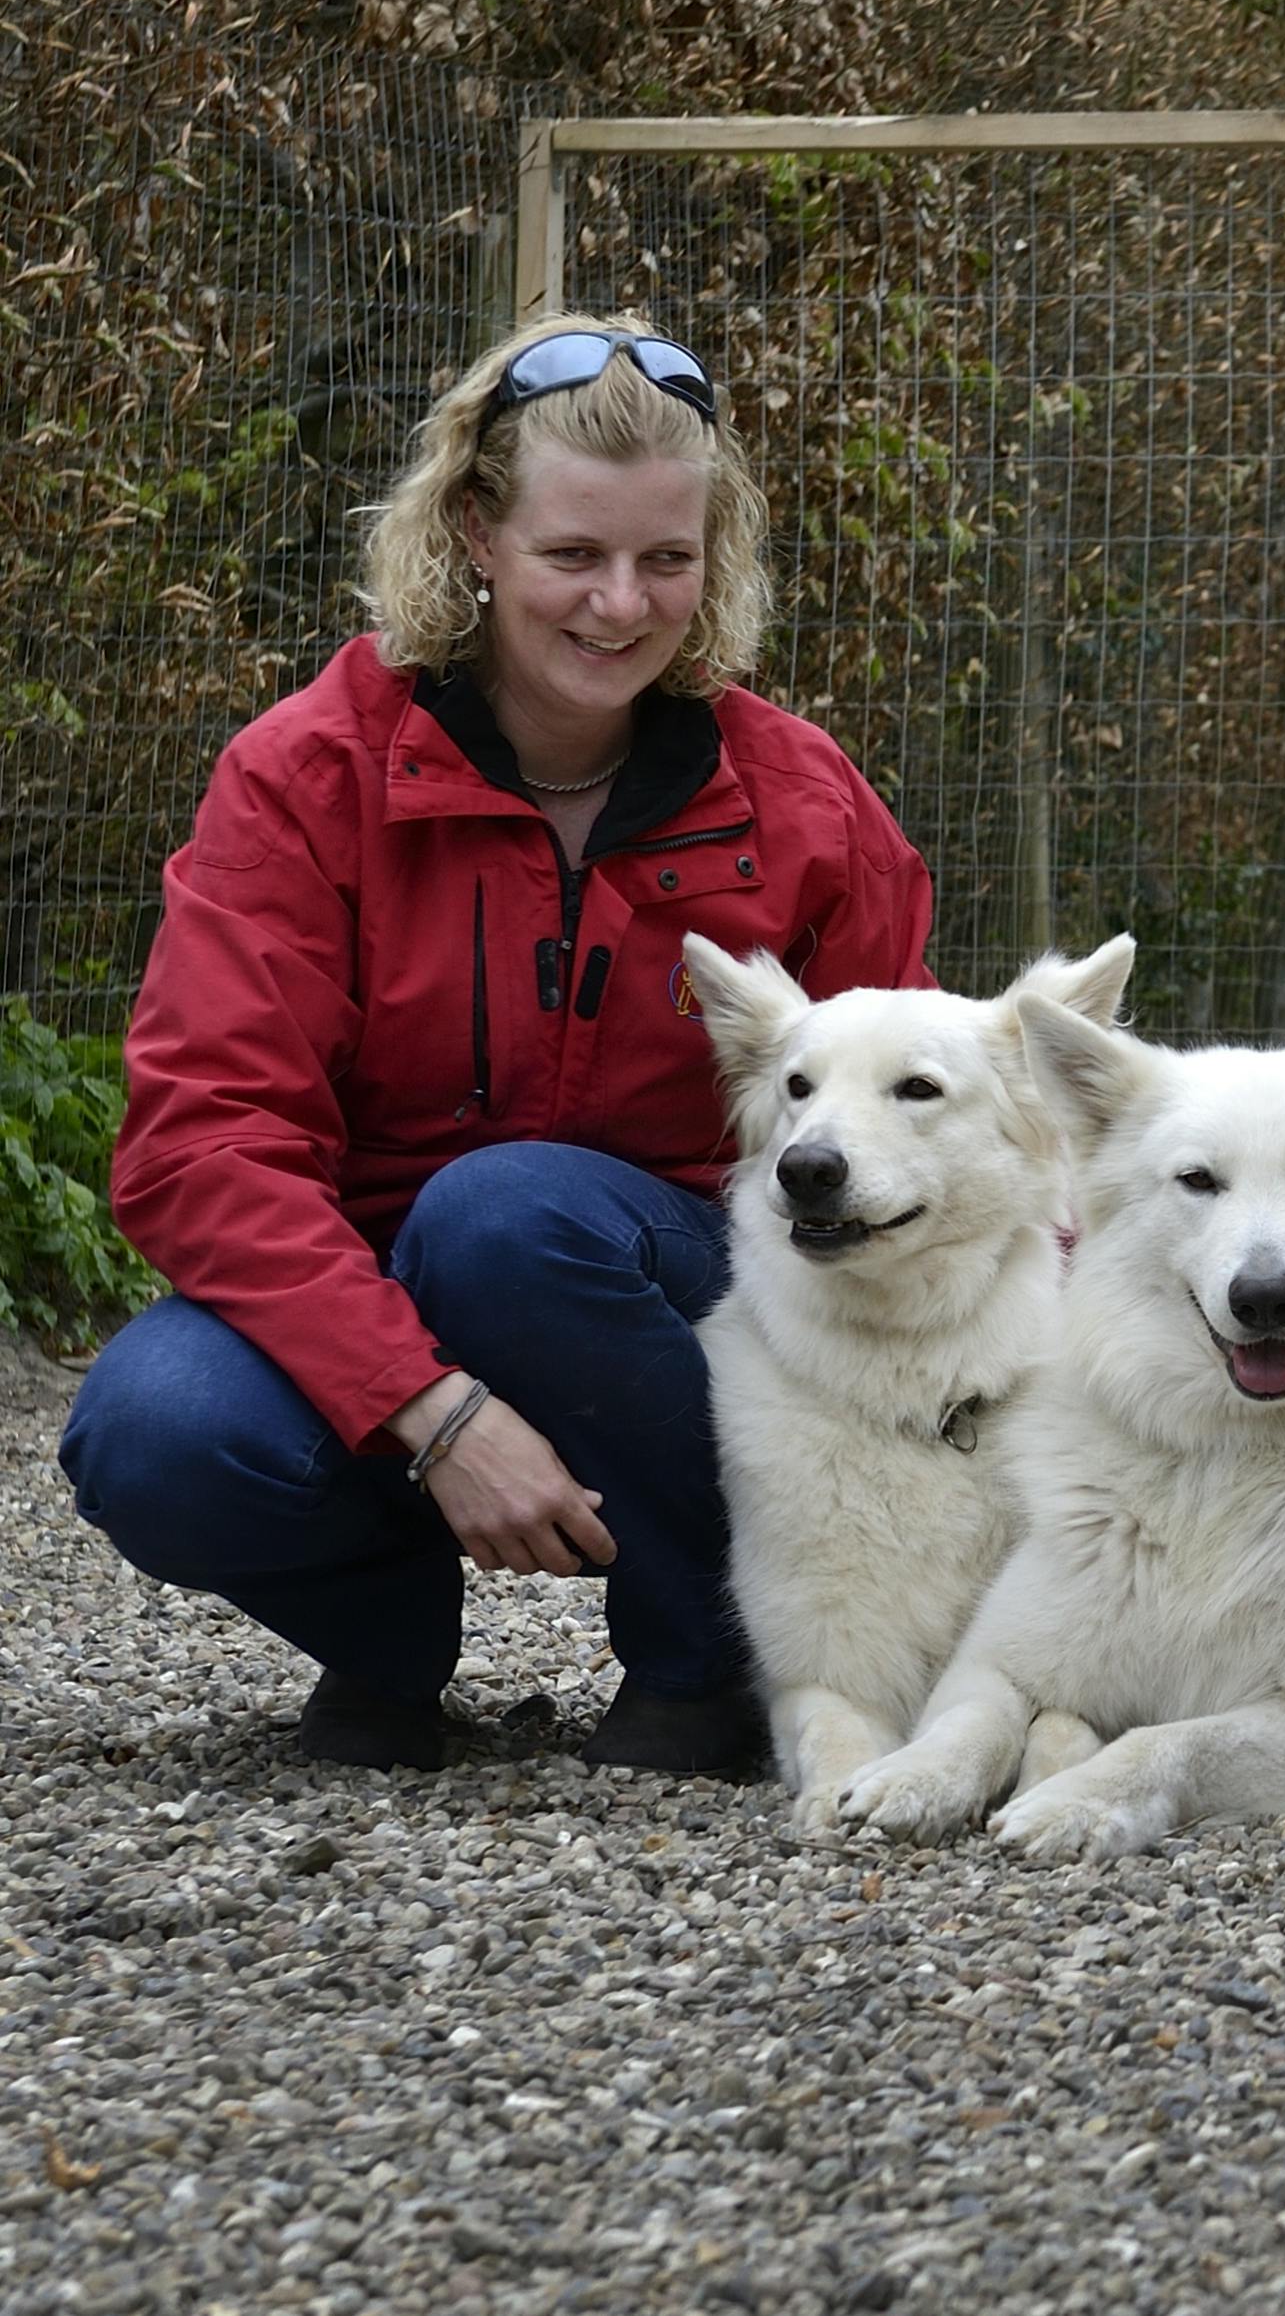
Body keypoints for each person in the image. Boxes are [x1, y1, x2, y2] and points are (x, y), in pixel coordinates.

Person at [58, 315, 936, 1775]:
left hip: (667, 1296)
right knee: (156, 1430)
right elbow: (200, 1145)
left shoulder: (805, 804)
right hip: (375, 1289)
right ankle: (386, 1639)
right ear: (474, 530)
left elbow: (912, 1143)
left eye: (667, 559)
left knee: (514, 1215)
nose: (621, 603)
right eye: (572, 555)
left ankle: (707, 1653)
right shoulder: (306, 775)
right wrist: (429, 1408)